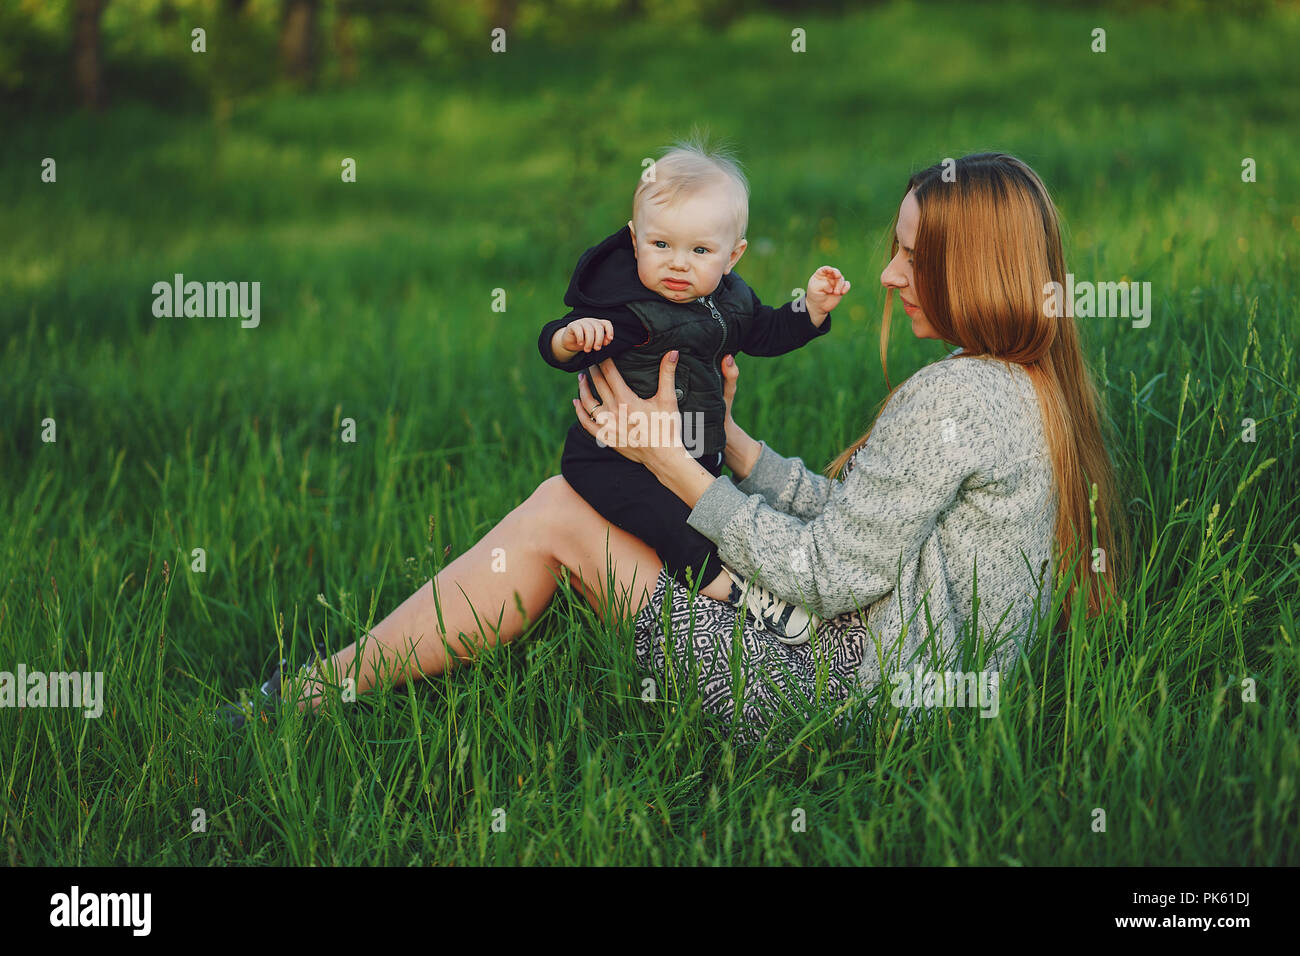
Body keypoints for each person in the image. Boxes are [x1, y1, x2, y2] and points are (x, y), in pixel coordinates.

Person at [224, 152, 1127, 743]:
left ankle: (308, 695)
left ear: (974, 269)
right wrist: (733, 447)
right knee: (564, 508)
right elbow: (870, 532)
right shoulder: (1024, 387)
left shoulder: (954, 397)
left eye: (911, 255)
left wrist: (671, 466)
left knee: (559, 514)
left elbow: (831, 574)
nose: (889, 275)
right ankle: (319, 687)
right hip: (893, 677)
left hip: (840, 703)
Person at [538, 139, 848, 643]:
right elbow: (557, 339)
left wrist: (810, 311)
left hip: (690, 454)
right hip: (615, 460)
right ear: (635, 239)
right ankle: (735, 592)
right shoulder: (628, 310)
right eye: (661, 246)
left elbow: (766, 332)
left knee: (706, 513)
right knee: (675, 524)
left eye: (700, 251)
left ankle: (694, 589)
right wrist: (570, 340)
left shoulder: (730, 302)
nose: (678, 265)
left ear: (733, 255)